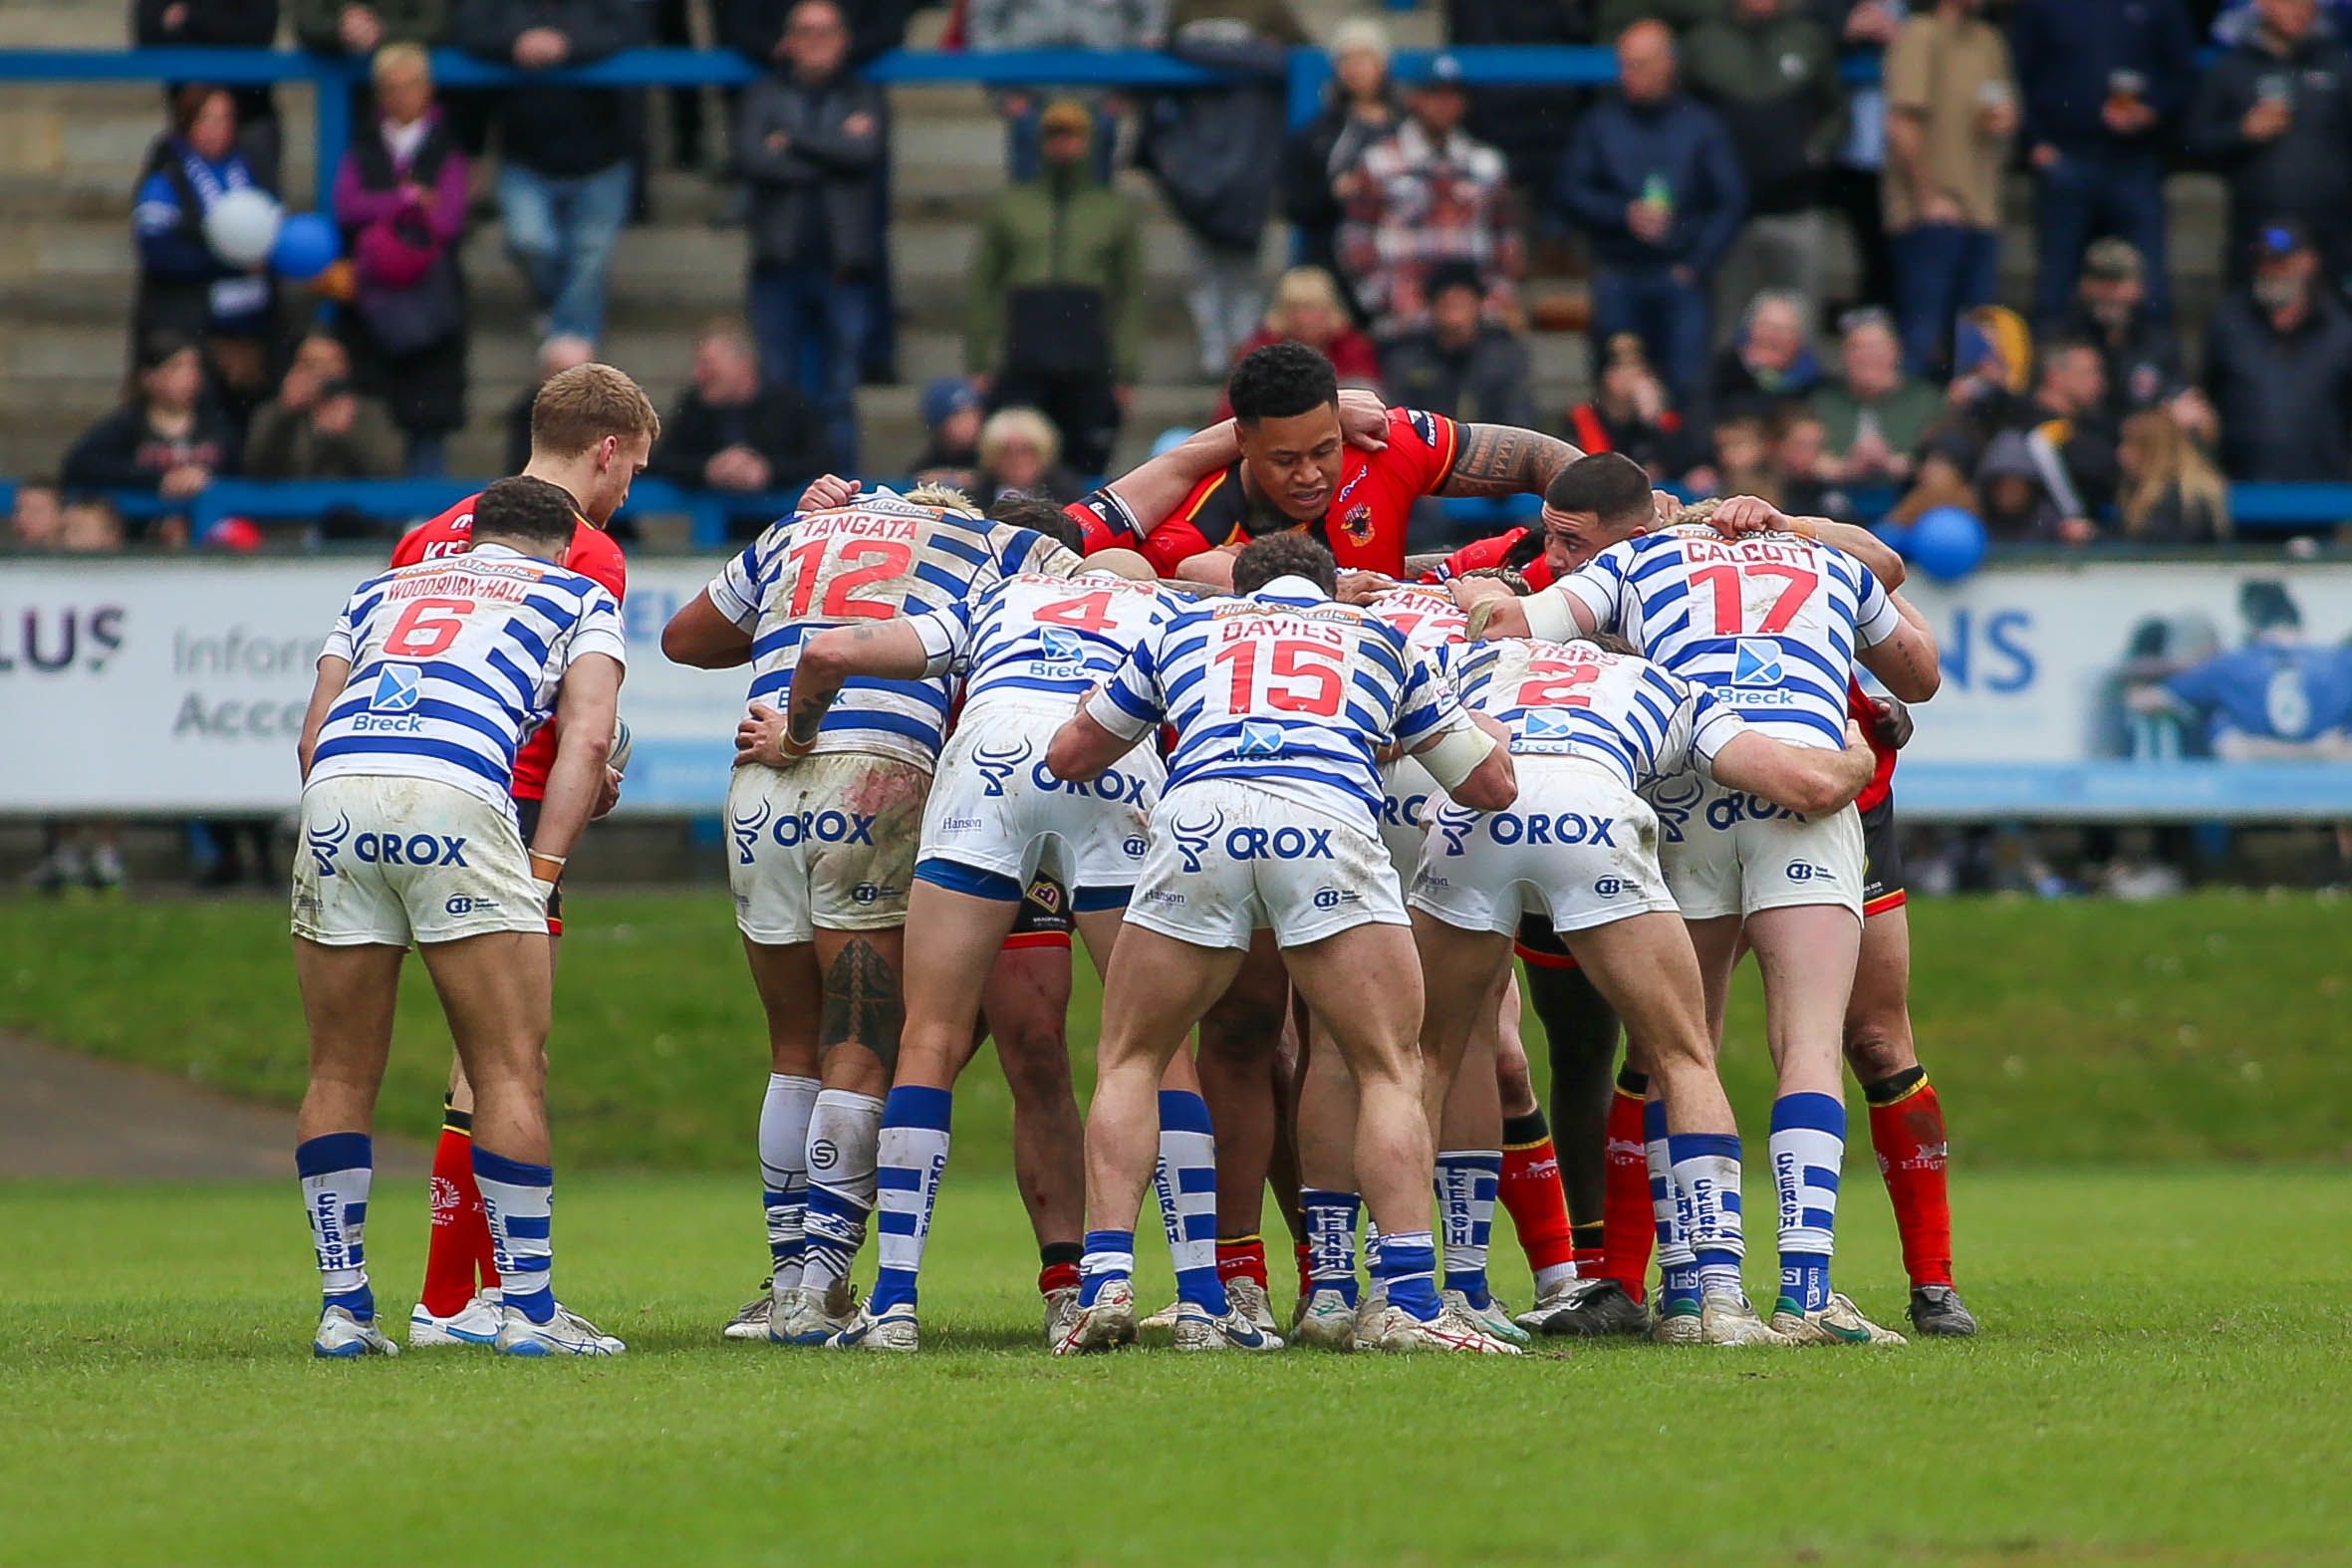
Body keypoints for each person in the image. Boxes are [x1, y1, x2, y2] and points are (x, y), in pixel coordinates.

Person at [1455, 458, 1942, 1346]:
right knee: (1808, 1045)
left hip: (1689, 794)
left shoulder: (1632, 561)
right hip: (1803, 789)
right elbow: (1919, 675)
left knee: (1676, 1049)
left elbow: (1510, 627)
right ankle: (1805, 1292)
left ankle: (1689, 1290)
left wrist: (1478, 594)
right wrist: (1812, 542)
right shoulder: (1827, 560)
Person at [1046, 532, 1522, 1355]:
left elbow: (1070, 755)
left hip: (1200, 822)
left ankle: (1106, 1284)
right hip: (1323, 820)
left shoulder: (1183, 631)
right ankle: (1408, 1300)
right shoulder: (1380, 637)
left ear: (1240, 587)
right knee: (1387, 1067)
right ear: (1329, 586)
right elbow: (1489, 785)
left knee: (1131, 1059)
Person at [733, 526, 1193, 1352]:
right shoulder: (1156, 605)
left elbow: (809, 647)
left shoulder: (991, 592)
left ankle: (895, 1299)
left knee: (952, 1040)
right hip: (1093, 788)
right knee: (1135, 1048)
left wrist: (798, 737)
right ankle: (1180, 1295)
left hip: (983, 790)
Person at [659, 484, 1084, 1346]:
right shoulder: (989, 546)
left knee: (793, 1048)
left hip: (762, 782)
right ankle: (820, 1290)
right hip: (880, 775)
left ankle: (788, 1285)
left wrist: (789, 611)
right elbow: (1118, 581)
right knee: (858, 1046)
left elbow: (683, 640)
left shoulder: (800, 528)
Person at [1412, 624, 1882, 1347]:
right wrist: (1857, 753)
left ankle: (1410, 1293)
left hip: (1470, 818)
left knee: (1425, 1062)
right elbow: (1805, 785)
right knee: (1682, 1054)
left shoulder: (1479, 659)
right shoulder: (1663, 683)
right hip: (1588, 811)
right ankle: (1717, 1299)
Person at [290, 476, 627, 1359]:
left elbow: (311, 733)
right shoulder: (577, 593)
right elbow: (589, 740)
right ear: (564, 542)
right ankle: (529, 1311)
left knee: (337, 1072)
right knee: (506, 1070)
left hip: (338, 792)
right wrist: (542, 871)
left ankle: (343, 1310)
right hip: (456, 793)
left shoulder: (379, 589)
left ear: (472, 533)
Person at [391, 361, 657, 1351]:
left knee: (475, 1052)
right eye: (632, 468)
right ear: (605, 449)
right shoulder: (587, 551)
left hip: (405, 791)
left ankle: (471, 1293)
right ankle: (464, 1300)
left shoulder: (429, 531)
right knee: (506, 1056)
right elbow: (579, 712)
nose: (626, 489)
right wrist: (594, 778)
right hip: (515, 799)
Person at [1071, 342, 1578, 584]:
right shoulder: (1183, 537)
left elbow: (1542, 459)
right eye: (1285, 459)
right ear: (1240, 441)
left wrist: (1597, 529)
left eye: (1323, 450)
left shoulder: (1380, 443)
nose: (1310, 475)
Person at [1552, 22, 1745, 403]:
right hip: (1617, 271)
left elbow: (1730, 200)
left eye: (1638, 65)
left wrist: (1697, 263)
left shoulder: (1701, 125)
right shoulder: (1600, 124)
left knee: (1687, 385)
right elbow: (1571, 192)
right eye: (1624, 65)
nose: (1628, 76)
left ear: (1666, 65)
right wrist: (1622, 213)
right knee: (1615, 385)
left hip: (1680, 274)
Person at [736, 0, 890, 472]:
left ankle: (842, 492)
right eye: (806, 31)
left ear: (843, 39)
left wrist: (793, 142)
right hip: (778, 263)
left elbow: (864, 154)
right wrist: (832, 155)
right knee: (778, 387)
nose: (816, 42)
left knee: (839, 391)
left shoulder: (864, 93)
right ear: (788, 40)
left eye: (825, 31)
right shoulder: (763, 94)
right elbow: (753, 159)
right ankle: (785, 494)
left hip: (843, 265)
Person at [966, 100, 1144, 478]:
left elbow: (1129, 293)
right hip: (1025, 347)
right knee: (1018, 457)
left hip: (1088, 348)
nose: (1065, 146)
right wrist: (980, 359)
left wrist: (1125, 369)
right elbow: (984, 285)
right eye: (1056, 136)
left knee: (1089, 460)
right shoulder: (1012, 205)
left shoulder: (1110, 209)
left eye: (1074, 136)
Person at [457, 0, 644, 345]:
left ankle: (570, 343)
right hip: (526, 153)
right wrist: (516, 41)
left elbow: (632, 26)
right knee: (529, 242)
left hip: (603, 154)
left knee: (589, 257)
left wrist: (567, 44)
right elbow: (469, 28)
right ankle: (558, 314)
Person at [1143, 0, 1306, 381]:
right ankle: (1216, 352)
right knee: (1203, 265)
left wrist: (1194, 50)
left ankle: (1244, 350)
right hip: (1197, 154)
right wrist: (1248, 52)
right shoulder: (1182, 7)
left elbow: (1301, 58)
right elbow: (1154, 56)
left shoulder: (1269, 6)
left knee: (1245, 266)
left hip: (1251, 153)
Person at [2010, 0, 2194, 330]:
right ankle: (2053, 361)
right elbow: (2017, 74)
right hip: (2065, 159)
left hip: (2134, 161)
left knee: (2150, 288)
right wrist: (2034, 143)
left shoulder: (2162, 5)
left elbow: (2182, 75)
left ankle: (2154, 362)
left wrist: (2151, 110)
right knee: (2055, 288)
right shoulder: (2041, 5)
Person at [332, 42, 469, 477]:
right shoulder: (364, 146)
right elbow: (347, 205)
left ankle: (423, 505)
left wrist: (390, 209)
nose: (402, 96)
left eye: (411, 85)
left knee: (427, 414)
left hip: (431, 301)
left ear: (428, 89)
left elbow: (448, 218)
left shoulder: (447, 147)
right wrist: (405, 202)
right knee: (368, 409)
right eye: (391, 87)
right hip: (372, 301)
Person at [1684, 0, 1847, 320]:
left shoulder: (1807, 37)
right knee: (1728, 323)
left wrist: (1815, 153)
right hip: (1727, 217)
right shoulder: (1703, 42)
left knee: (1799, 322)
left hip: (1795, 207)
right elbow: (1685, 118)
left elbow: (1837, 112)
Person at [1338, 54, 1523, 332]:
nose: (1443, 105)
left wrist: (1494, 299)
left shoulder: (1486, 164)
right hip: (1401, 319)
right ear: (1414, 99)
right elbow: (1355, 239)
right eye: (1434, 94)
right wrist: (1386, 298)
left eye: (1452, 96)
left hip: (1476, 321)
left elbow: (1507, 239)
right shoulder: (1379, 161)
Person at [1883, 0, 2016, 373]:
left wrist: (2005, 119)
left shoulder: (1990, 41)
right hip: (1929, 214)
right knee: (1922, 339)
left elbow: (2005, 107)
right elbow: (1902, 125)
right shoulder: (1918, 34)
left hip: (1981, 209)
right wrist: (1928, 198)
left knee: (1976, 346)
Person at [2188, 0, 2352, 283]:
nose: (2300, 9)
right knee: (2254, 303)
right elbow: (2194, 141)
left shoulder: (2341, 64)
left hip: (2330, 228)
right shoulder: (2230, 67)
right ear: (2263, 4)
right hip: (2256, 225)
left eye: (2307, 2)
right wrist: (2242, 132)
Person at [648, 322, 830, 537]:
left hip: (784, 534)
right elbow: (661, 460)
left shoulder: (789, 404)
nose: (697, 374)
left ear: (742, 364)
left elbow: (822, 461)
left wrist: (767, 471)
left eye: (707, 365)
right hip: (718, 535)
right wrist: (709, 469)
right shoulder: (695, 405)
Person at [2203, 222, 2352, 484]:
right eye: (2263, 260)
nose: (2270, 270)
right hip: (2241, 487)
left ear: (2309, 262)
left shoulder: (2340, 333)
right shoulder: (2229, 324)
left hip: (2322, 490)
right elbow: (2208, 396)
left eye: (2281, 261)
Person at [132, 85, 276, 348]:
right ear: (188, 121)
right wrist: (228, 262)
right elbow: (158, 252)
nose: (217, 129)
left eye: (225, 119)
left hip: (252, 322)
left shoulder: (251, 167)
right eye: (208, 119)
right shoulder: (168, 174)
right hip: (189, 322)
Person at [62, 332, 235, 543]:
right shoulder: (127, 425)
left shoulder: (217, 425)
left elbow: (238, 467)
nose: (190, 376)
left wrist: (205, 478)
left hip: (209, 536)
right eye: (176, 367)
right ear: (149, 377)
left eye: (194, 367)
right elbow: (82, 463)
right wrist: (157, 480)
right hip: (139, 539)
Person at [1284, 20, 1401, 314]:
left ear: (1382, 65)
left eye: (1364, 57)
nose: (1355, 68)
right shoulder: (1316, 134)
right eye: (1346, 59)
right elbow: (1294, 204)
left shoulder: (1408, 130)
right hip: (1335, 262)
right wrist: (1334, 191)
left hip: (1399, 263)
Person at [241, 336, 405, 531]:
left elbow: (390, 470)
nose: (321, 373)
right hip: (289, 528)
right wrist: (285, 414)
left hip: (359, 528)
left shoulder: (369, 413)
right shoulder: (273, 413)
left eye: (329, 364)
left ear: (345, 368)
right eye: (310, 364)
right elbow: (256, 467)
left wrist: (349, 436)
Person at [1378, 261, 1537, 429]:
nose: (1454, 316)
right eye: (1446, 304)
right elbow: (1398, 420)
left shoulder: (1505, 357)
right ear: (1432, 306)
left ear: (1478, 304)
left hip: (1492, 442)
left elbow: (1518, 417)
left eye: (1462, 303)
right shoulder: (1407, 358)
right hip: (1430, 443)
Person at [1214, 266, 1382, 420]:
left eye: (1314, 308)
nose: (1306, 318)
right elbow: (1228, 416)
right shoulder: (1258, 354)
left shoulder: (1353, 349)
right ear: (1282, 311)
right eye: (1297, 308)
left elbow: (1371, 405)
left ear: (1330, 309)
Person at [1807, 310, 1942, 487]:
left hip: (1909, 495)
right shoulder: (1821, 402)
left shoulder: (1927, 401)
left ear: (1896, 351)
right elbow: (1802, 458)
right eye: (1857, 347)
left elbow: (1945, 463)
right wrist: (1845, 468)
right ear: (1843, 354)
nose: (1867, 355)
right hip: (1831, 494)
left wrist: (1896, 464)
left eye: (1876, 347)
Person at [2064, 238, 2182, 422]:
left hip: (2142, 436)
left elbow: (2179, 397)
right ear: (2083, 285)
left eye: (2119, 282)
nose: (2110, 292)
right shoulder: (2062, 340)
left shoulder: (2160, 345)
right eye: (2101, 280)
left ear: (2139, 288)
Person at [1565, 333, 1699, 479]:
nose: (1632, 375)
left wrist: (1652, 418)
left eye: (1637, 366)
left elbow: (1687, 469)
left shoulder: (1665, 420)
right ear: (1604, 376)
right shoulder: (1583, 418)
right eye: (1621, 367)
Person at [2117, 406, 2231, 544]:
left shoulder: (2179, 500)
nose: (2120, 454)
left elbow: (2153, 548)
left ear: (2153, 452)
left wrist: (2097, 537)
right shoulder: (2137, 492)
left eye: (2130, 445)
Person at [1709, 289, 1825, 425]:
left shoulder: (1816, 390)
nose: (1770, 336)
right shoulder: (1718, 374)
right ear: (1749, 329)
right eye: (1764, 325)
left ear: (1799, 340)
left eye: (1782, 330)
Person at [505, 334, 595, 472]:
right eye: (563, 373)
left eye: (582, 374)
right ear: (544, 375)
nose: (574, 383)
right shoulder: (527, 417)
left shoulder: (614, 416)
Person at [974, 406, 1085, 511]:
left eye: (1026, 450)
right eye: (1006, 452)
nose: (1017, 460)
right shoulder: (976, 497)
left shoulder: (1067, 494)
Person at [910, 376, 984, 493]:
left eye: (973, 413)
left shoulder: (993, 458)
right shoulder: (927, 465)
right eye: (959, 417)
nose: (970, 422)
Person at [293, 0, 449, 52]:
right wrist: (343, 28)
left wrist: (380, 30)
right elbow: (307, 23)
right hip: (337, 78)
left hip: (404, 73)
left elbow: (435, 25)